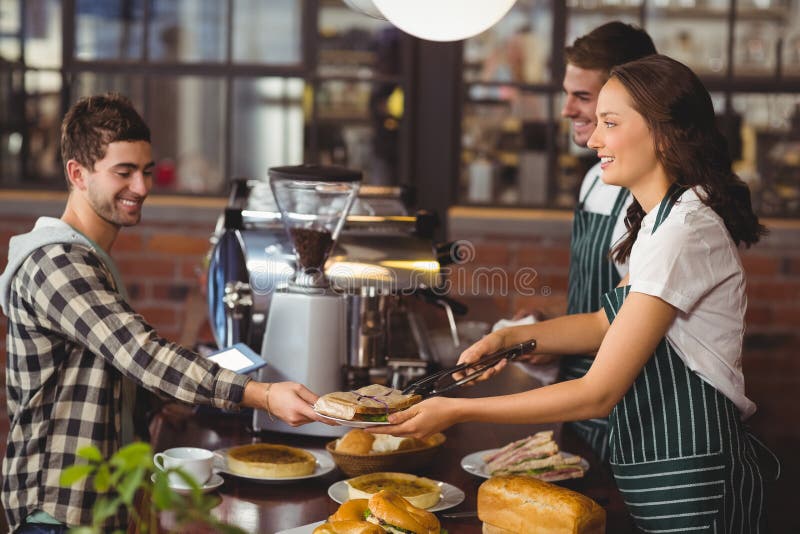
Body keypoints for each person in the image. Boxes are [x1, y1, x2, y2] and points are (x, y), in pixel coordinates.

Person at [373, 55, 778, 532]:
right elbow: (605, 323)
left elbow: (598, 393)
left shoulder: (685, 231)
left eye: (609, 123)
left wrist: (455, 410)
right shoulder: (661, 221)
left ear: (664, 133)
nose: (592, 138)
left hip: (694, 484)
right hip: (662, 472)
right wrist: (511, 340)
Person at [0, 93, 326, 533]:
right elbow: (141, 353)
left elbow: (103, 371)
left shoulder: (88, 258)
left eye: (147, 171)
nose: (142, 188)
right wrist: (264, 395)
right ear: (77, 173)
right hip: (56, 515)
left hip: (94, 512)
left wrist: (154, 402)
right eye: (124, 172)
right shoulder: (56, 264)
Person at [518, 21, 657, 462]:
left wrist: (534, 339)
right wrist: (546, 324)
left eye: (583, 96)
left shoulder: (658, 203)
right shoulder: (595, 179)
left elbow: (629, 321)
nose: (566, 110)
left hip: (634, 417)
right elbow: (603, 301)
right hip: (579, 407)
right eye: (567, 93)